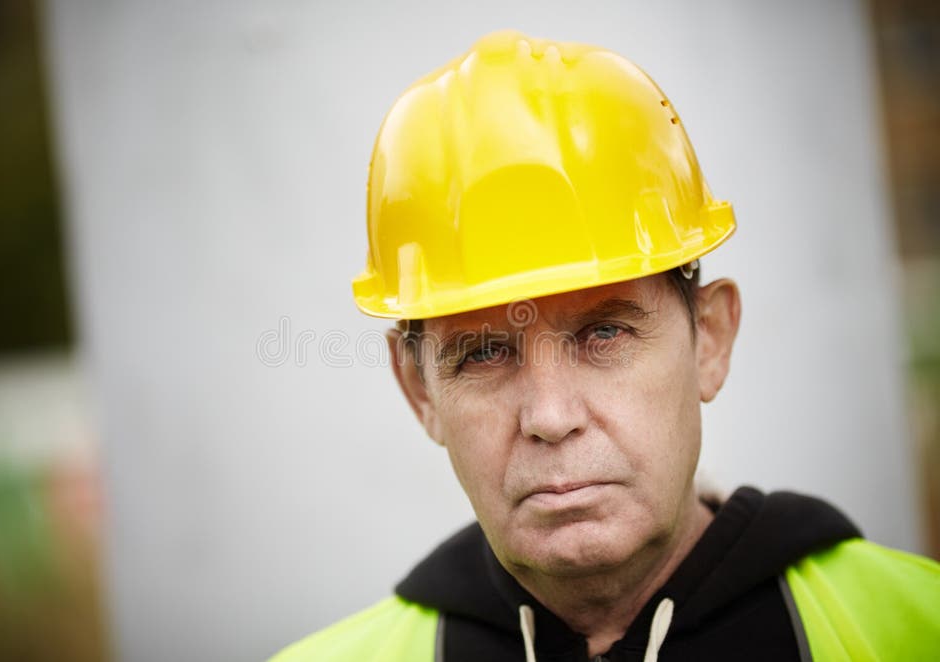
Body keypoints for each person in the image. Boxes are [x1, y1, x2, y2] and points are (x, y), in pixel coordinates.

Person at [272, 31, 940, 661]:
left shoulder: (915, 628)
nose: (551, 417)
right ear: (421, 390)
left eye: (603, 333)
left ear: (709, 338)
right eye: (483, 353)